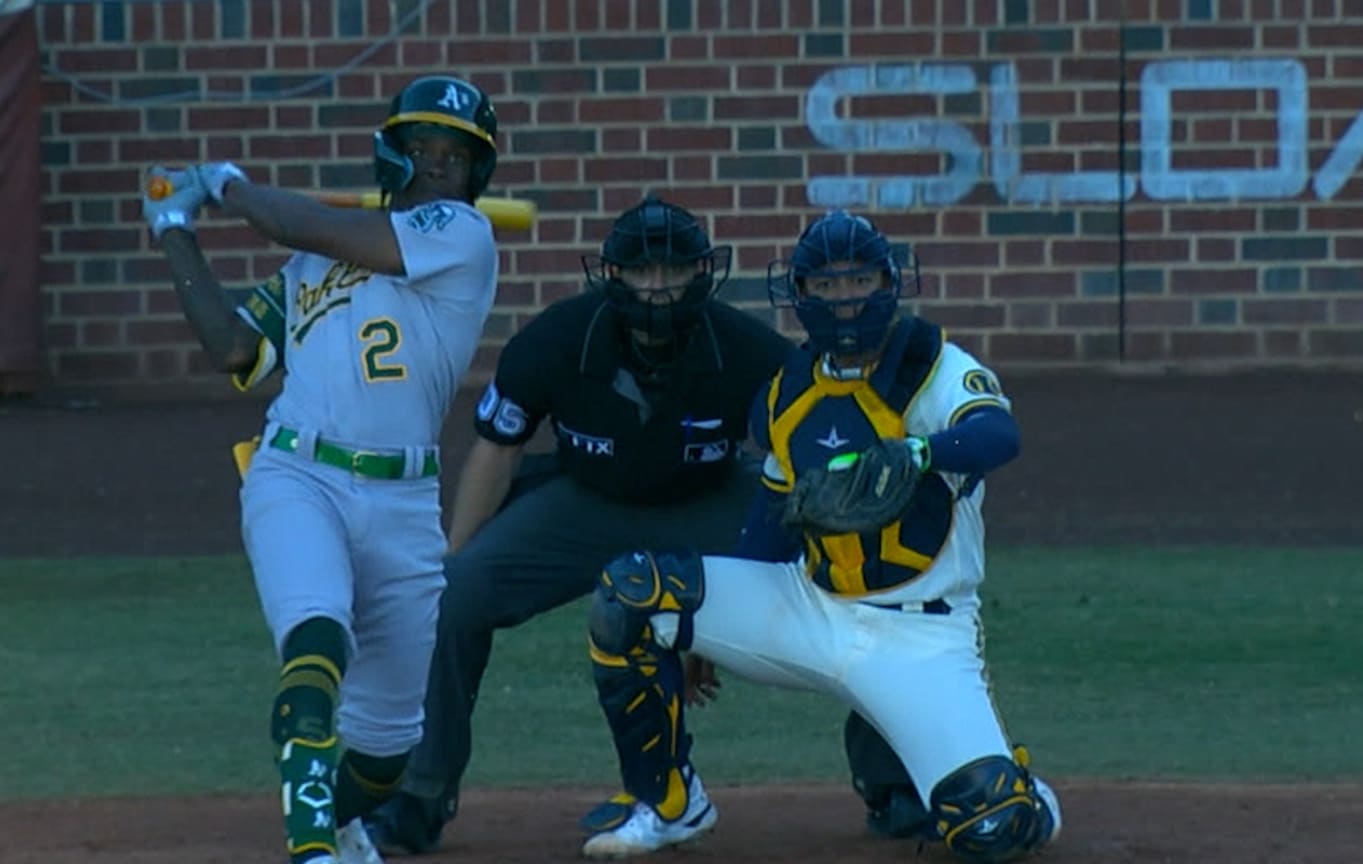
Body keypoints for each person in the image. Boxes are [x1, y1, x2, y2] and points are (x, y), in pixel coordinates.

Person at [576, 210, 1063, 861]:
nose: (844, 299)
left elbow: (999, 436)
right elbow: (772, 517)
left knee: (991, 827)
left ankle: (1026, 791)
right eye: (827, 284)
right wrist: (704, 633)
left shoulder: (932, 366)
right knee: (633, 593)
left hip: (920, 632)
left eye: (858, 280)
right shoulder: (789, 390)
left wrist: (917, 452)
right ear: (800, 293)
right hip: (809, 607)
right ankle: (668, 803)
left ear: (888, 283)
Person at [140, 75, 502, 864]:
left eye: (457, 154)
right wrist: (173, 227)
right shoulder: (315, 259)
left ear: (478, 172)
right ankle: (312, 851)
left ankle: (333, 821)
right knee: (316, 642)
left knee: (387, 750)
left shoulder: (463, 236)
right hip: (297, 474)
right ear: (392, 155)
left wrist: (229, 185)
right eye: (423, 147)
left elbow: (304, 224)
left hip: (405, 499)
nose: (440, 164)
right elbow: (236, 351)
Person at [362, 194, 793, 854]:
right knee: (455, 597)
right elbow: (498, 449)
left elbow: (786, 467)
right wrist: (453, 561)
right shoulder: (558, 338)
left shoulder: (747, 348)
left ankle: (899, 787)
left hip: (706, 504)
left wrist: (716, 620)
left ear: (701, 273)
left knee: (848, 577)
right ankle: (421, 793)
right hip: (587, 502)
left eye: (673, 269)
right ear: (612, 275)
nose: (657, 286)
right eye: (641, 270)